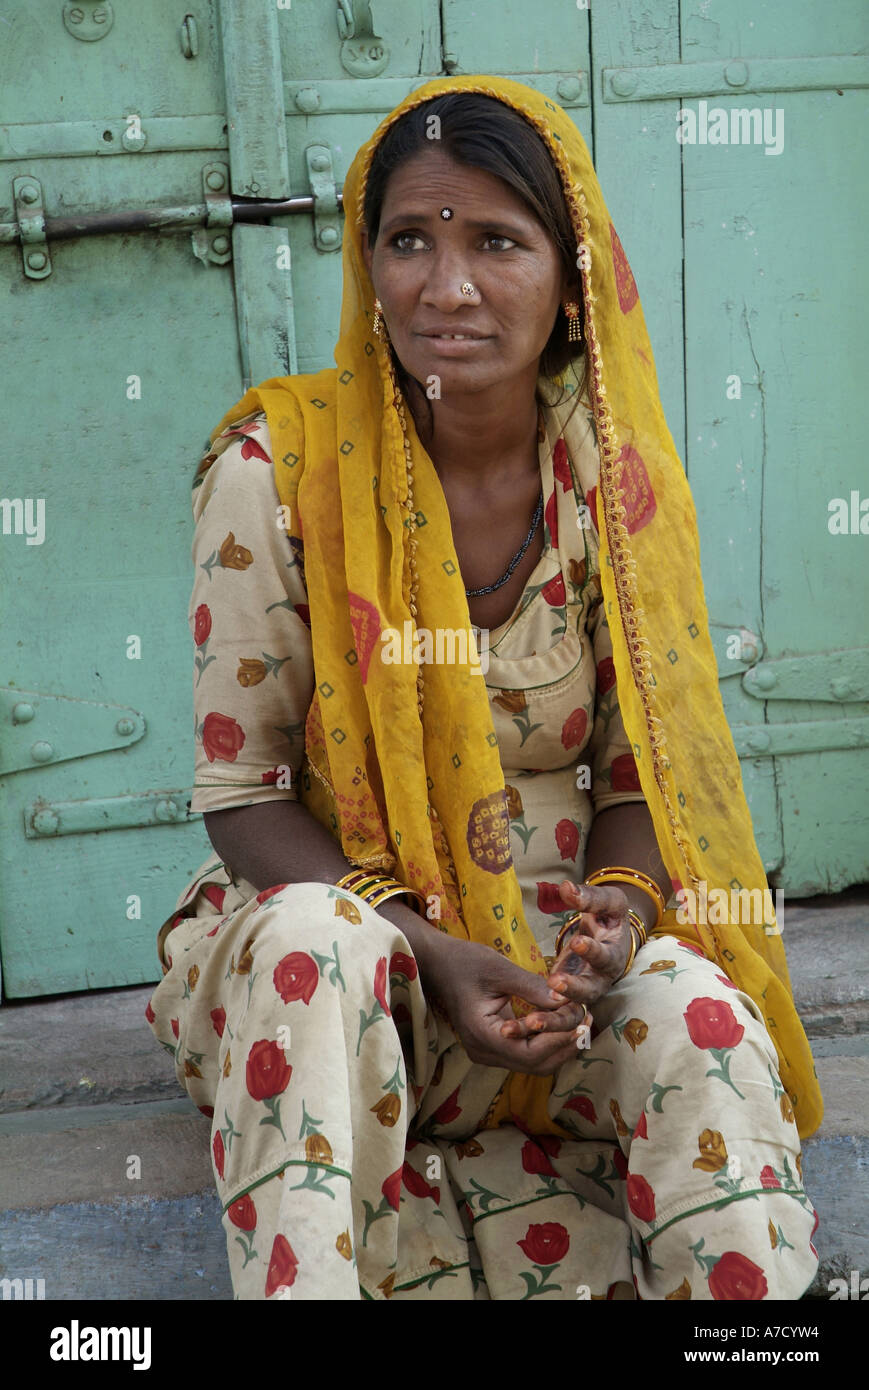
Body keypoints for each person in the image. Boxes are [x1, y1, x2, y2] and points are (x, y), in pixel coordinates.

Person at [146, 75, 823, 1301]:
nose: (443, 289)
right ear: (369, 269)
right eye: (408, 240)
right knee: (318, 942)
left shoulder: (606, 474)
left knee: (694, 1015)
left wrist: (609, 921)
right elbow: (242, 793)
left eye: (495, 243)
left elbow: (638, 764)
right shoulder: (277, 468)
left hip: (536, 962)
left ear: (570, 284)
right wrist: (430, 951)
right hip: (344, 961)